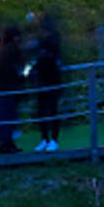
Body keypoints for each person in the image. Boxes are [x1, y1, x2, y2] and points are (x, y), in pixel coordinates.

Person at [30, 16, 64, 152]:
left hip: (52, 78)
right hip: (42, 78)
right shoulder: (41, 41)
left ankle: (54, 139)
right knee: (42, 110)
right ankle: (44, 138)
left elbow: (53, 58)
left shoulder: (53, 39)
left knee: (52, 109)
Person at [0, 26, 25, 155]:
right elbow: (16, 67)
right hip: (10, 87)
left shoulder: (1, 50)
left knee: (5, 115)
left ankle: (7, 143)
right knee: (9, 114)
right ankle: (7, 143)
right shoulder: (12, 50)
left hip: (3, 86)